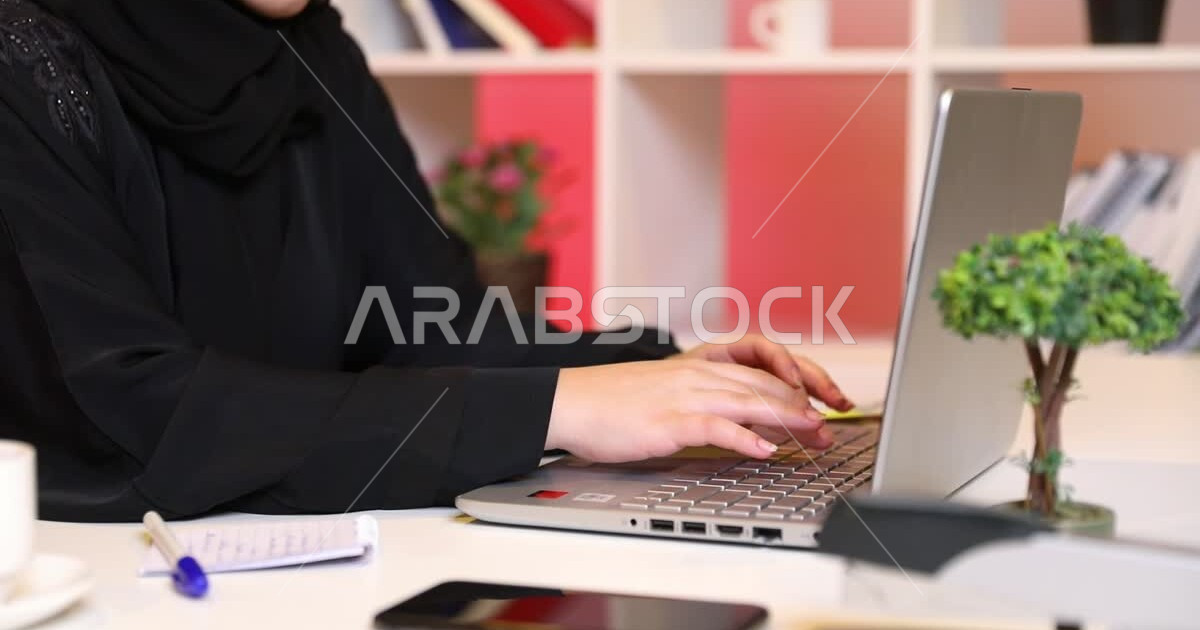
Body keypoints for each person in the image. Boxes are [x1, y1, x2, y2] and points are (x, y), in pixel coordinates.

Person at [0, 0, 852, 522]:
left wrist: (667, 370)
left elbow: (422, 318)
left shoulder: (310, 50)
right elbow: (131, 410)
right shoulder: (22, 59)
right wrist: (558, 408)